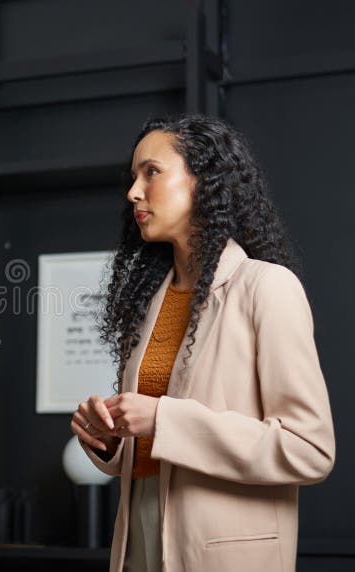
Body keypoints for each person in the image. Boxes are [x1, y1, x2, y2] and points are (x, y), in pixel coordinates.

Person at [70, 114, 335, 572]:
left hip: (224, 552)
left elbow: (308, 450)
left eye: (151, 172)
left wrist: (163, 418)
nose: (134, 191)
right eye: (133, 177)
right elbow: (149, 447)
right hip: (138, 534)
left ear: (205, 182)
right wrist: (111, 440)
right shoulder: (150, 302)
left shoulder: (266, 287)